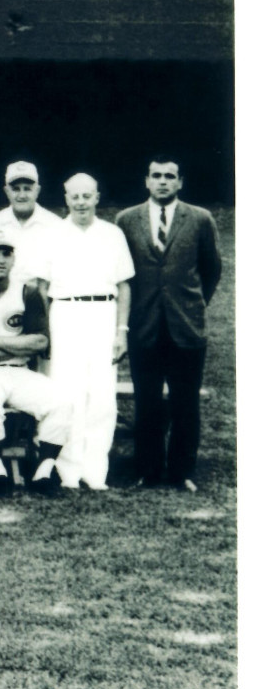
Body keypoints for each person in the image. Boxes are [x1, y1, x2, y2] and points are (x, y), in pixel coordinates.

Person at [117, 157, 222, 492]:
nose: (163, 181)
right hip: (144, 324)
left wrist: (190, 304)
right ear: (146, 181)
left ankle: (182, 471)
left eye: (169, 176)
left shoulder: (200, 219)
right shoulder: (126, 219)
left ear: (180, 182)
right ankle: (147, 470)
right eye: (156, 175)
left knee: (185, 402)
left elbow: (211, 269)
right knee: (147, 401)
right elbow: (121, 271)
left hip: (186, 326)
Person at [0, 228, 70, 495]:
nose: (0, 260)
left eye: (6, 254)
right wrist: (18, 346)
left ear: (13, 259)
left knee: (61, 401)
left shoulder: (27, 292)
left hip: (19, 371)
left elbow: (40, 342)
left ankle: (44, 471)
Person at [47, 173, 135, 490]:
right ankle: (68, 470)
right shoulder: (53, 234)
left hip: (103, 314)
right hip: (65, 313)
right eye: (75, 196)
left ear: (97, 197)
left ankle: (95, 470)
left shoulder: (112, 234)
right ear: (66, 198)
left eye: (87, 196)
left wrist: (121, 331)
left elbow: (124, 286)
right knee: (67, 393)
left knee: (101, 396)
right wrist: (45, 332)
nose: (81, 202)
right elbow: (41, 286)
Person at [0, 161, 63, 292]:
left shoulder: (56, 225)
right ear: (7, 191)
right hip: (2, 297)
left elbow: (63, 273)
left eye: (27, 188)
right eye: (16, 189)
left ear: (37, 190)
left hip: (44, 298)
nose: (22, 195)